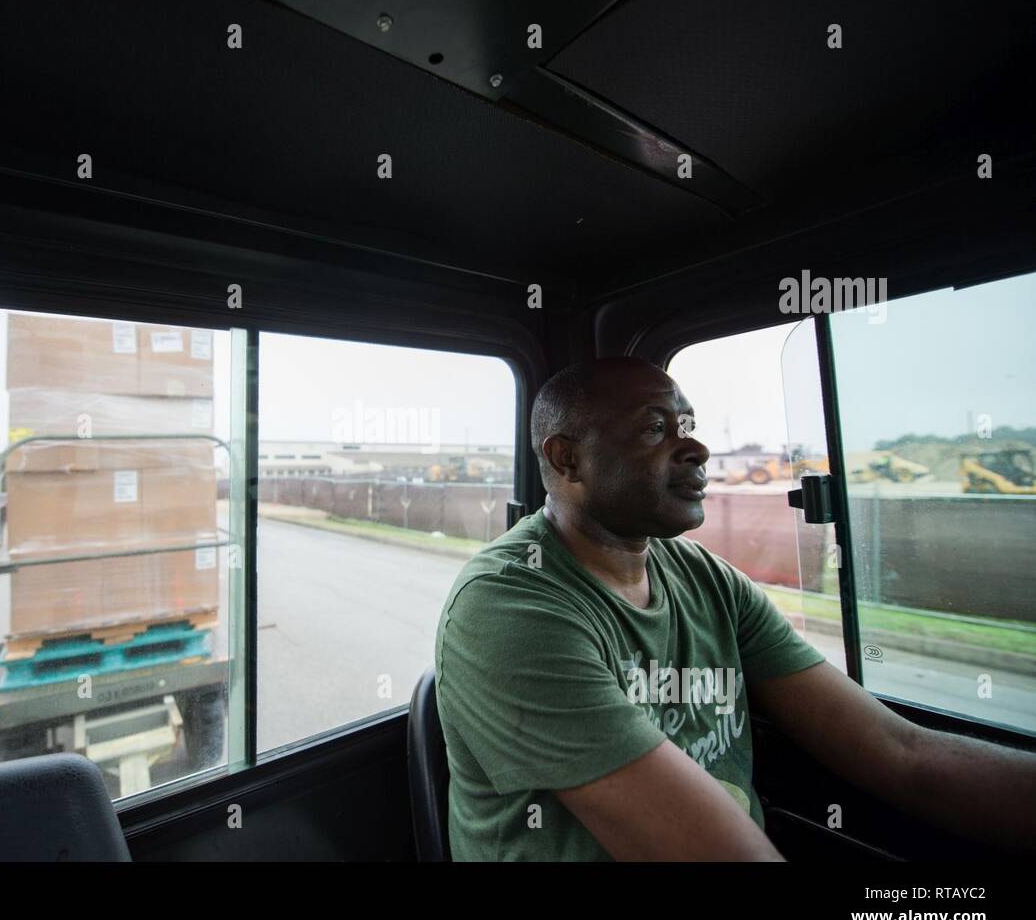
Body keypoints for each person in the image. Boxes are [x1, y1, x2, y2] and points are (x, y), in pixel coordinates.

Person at [434, 356, 1036, 860]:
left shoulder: (706, 579)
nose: (695, 447)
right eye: (655, 429)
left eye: (688, 424)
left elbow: (905, 756)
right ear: (567, 459)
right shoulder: (509, 608)